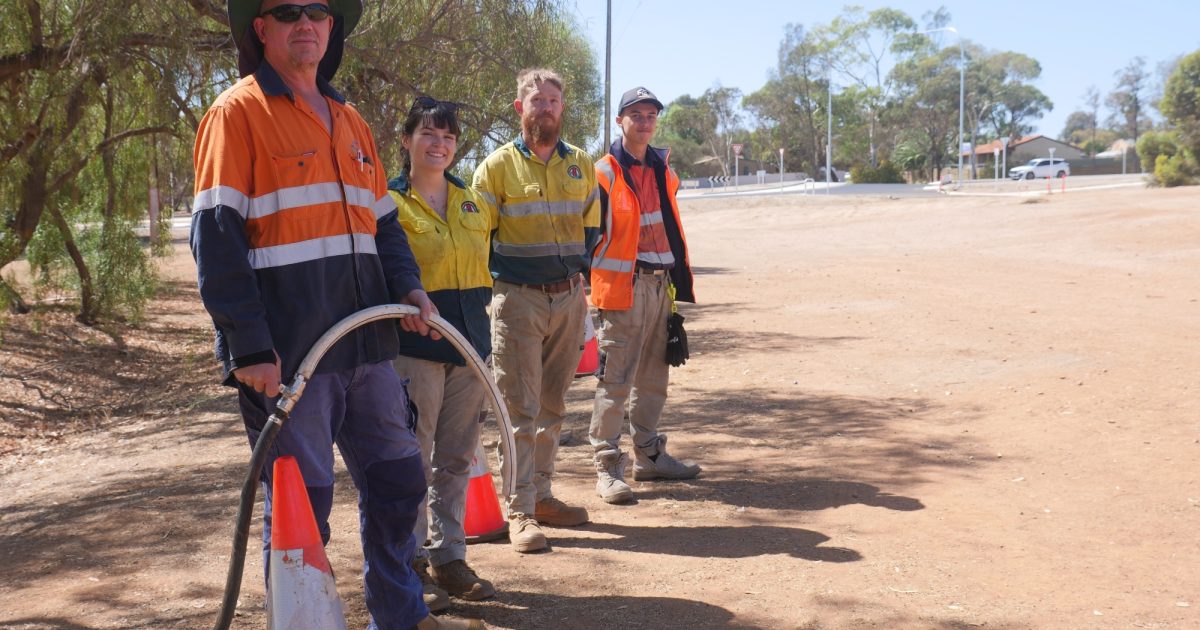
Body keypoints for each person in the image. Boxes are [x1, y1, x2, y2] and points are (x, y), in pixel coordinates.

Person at [191, 2, 480, 628]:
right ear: (260, 28)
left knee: (402, 482)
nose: (307, 22)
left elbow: (384, 225)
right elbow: (216, 241)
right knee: (302, 504)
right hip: (293, 360)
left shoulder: (349, 120)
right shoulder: (235, 114)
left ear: (332, 28)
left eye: (318, 11)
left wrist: (408, 289)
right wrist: (249, 348)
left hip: (369, 349)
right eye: (288, 11)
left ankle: (401, 615)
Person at [472, 68, 599, 553]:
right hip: (517, 300)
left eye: (552, 100)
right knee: (518, 407)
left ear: (562, 108)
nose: (545, 107)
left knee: (553, 404)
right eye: (536, 99)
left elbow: (591, 228)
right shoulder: (497, 166)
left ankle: (542, 495)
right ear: (518, 108)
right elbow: (478, 235)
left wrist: (573, 277)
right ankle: (519, 511)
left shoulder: (581, 164)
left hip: (569, 298)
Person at [387, 97, 497, 609]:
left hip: (470, 349)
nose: (440, 144)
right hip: (414, 350)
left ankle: (450, 556)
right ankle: (406, 563)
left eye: (449, 137)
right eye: (429, 134)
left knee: (456, 457)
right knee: (413, 455)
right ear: (407, 139)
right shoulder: (386, 203)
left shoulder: (473, 201)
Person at [587, 87, 699, 504]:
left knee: (654, 378)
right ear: (620, 121)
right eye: (636, 114)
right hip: (622, 289)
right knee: (614, 380)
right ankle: (607, 466)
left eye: (651, 115)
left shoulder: (663, 169)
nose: (645, 122)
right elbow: (589, 236)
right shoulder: (603, 172)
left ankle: (649, 457)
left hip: (659, 285)